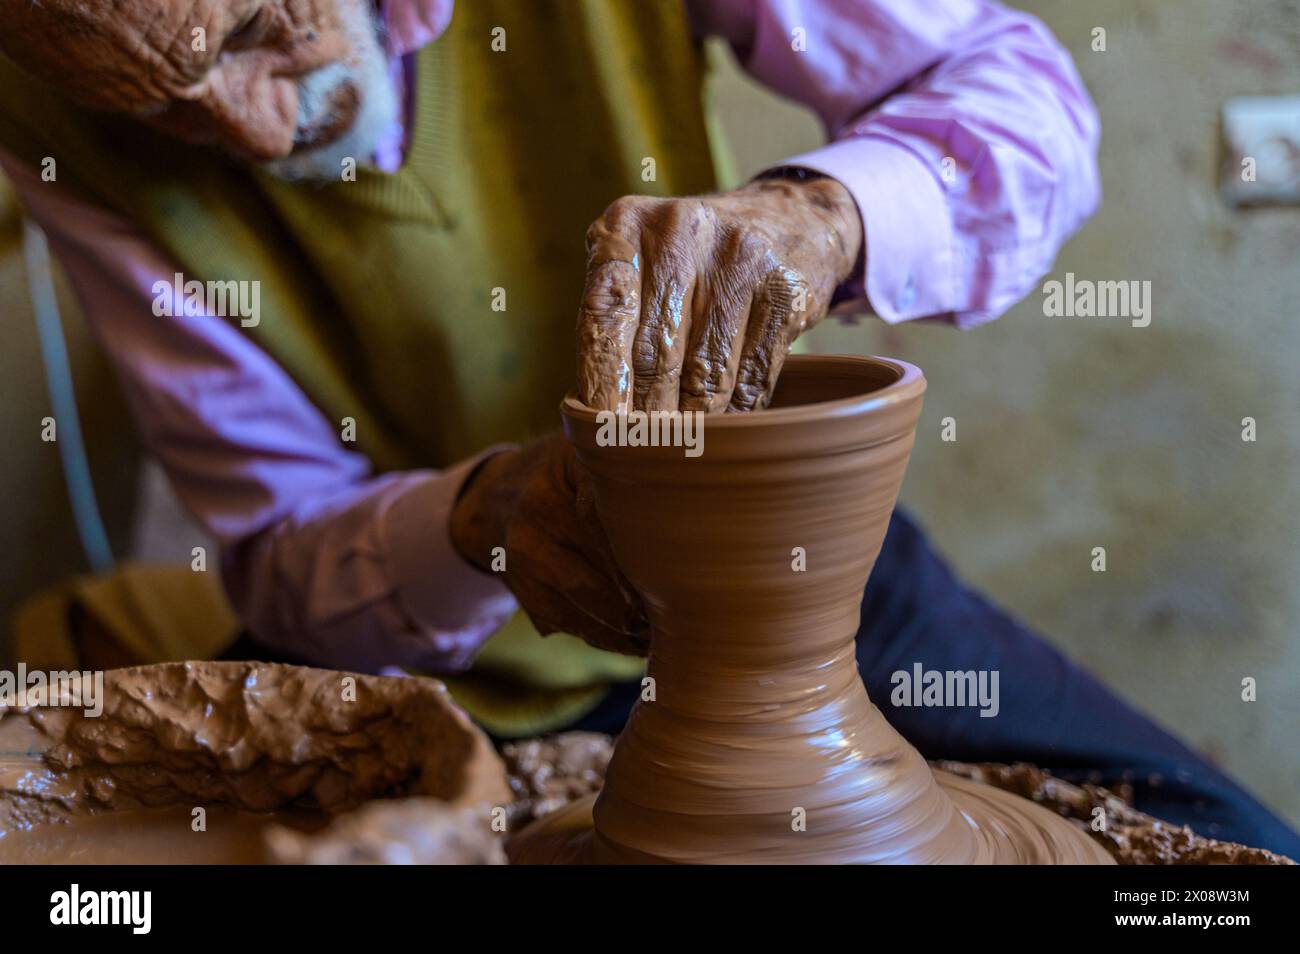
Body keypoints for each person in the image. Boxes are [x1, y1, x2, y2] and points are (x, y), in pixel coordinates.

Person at [1, 0, 1294, 856]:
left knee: (1226, 851)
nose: (242, 126)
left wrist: (827, 213)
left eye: (257, 28)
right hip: (436, 671)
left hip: (806, 588)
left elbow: (1015, 87)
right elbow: (281, 541)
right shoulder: (40, 101)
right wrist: (482, 519)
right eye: (155, 105)